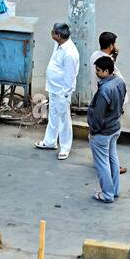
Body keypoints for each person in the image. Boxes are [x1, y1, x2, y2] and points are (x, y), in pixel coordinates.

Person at [36, 23, 80, 160]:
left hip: (62, 92)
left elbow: (70, 76)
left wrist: (65, 94)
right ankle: (50, 141)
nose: (51, 34)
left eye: (53, 32)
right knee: (53, 115)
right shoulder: (59, 45)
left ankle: (65, 147)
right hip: (54, 88)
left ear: (59, 36)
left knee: (64, 119)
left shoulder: (70, 54)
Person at [88, 55, 127, 204]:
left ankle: (107, 193)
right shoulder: (120, 82)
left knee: (102, 163)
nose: (96, 73)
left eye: (98, 71)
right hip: (115, 127)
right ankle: (114, 190)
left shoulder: (104, 90)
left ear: (106, 71)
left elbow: (98, 116)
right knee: (112, 158)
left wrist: (93, 131)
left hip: (103, 132)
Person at [98, 31, 128, 175]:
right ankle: (111, 171)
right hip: (111, 115)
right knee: (110, 148)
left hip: (108, 115)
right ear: (110, 45)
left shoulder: (97, 58)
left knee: (109, 148)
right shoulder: (110, 78)